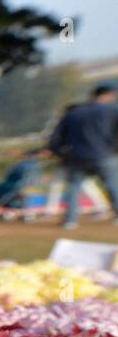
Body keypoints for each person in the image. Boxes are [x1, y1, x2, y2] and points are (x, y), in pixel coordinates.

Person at [47, 84, 118, 229]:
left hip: (76, 156)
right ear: (109, 95)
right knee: (112, 185)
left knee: (73, 187)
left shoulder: (74, 113)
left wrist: (60, 153)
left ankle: (70, 221)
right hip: (104, 155)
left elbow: (56, 138)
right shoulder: (112, 110)